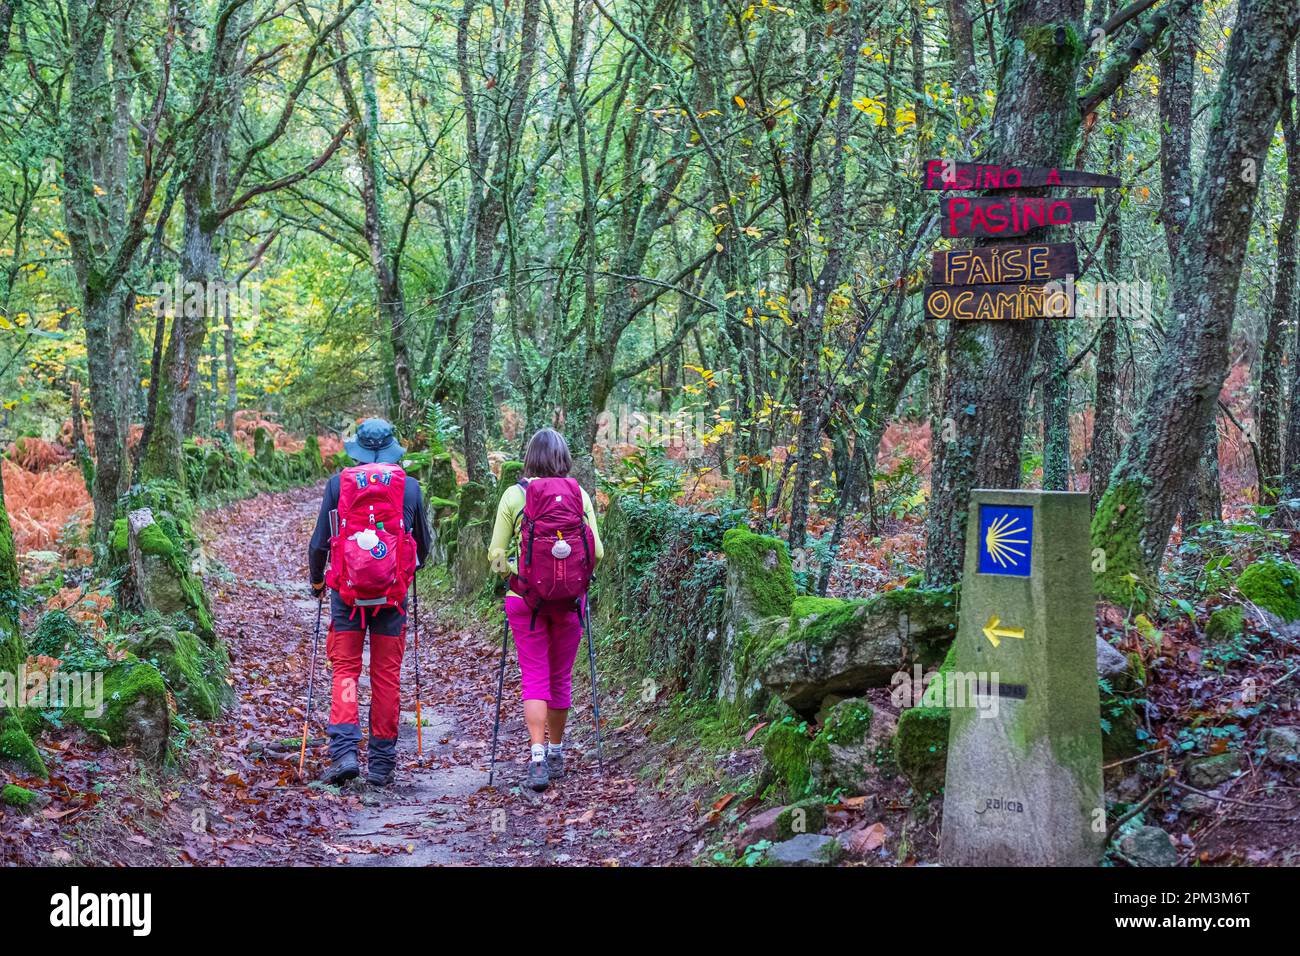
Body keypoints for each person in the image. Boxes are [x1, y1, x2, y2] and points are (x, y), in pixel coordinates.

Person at [308, 418, 431, 786]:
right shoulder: (409, 488)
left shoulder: (337, 486)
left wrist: (318, 581)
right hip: (391, 596)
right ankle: (381, 762)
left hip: (346, 594)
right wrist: (405, 570)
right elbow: (423, 547)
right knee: (385, 676)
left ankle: (345, 752)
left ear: (357, 451)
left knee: (346, 670)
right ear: (392, 448)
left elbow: (319, 544)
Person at [488, 428, 604, 791]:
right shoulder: (579, 494)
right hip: (570, 601)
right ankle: (557, 750)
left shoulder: (513, 495)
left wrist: (514, 572)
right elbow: (597, 552)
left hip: (525, 602)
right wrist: (572, 579)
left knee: (535, 675)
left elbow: (495, 556)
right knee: (561, 677)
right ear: (563, 458)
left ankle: (536, 757)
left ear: (530, 457)